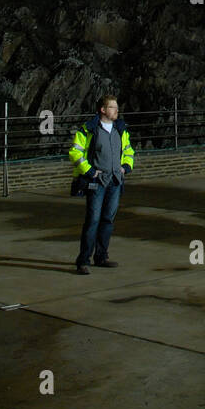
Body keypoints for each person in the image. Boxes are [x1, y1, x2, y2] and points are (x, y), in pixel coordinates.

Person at [69, 95, 134, 275]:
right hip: (96, 182)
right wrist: (89, 172)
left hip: (114, 181)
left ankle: (101, 256)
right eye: (112, 107)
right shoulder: (88, 130)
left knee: (107, 220)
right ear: (103, 110)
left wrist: (126, 167)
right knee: (93, 221)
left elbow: (128, 150)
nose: (116, 110)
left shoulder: (121, 129)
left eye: (116, 107)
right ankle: (83, 260)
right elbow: (75, 152)